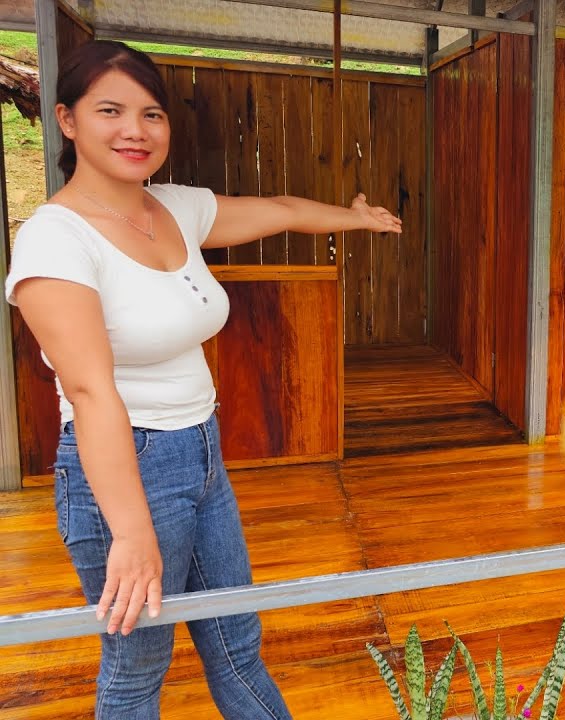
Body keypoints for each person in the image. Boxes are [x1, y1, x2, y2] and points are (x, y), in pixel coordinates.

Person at [5, 40, 401, 719]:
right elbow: (94, 394)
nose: (136, 130)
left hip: (202, 455)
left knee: (236, 641)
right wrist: (130, 533)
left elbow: (276, 208)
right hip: (125, 471)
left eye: (152, 114)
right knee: (137, 669)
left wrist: (355, 218)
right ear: (66, 120)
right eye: (111, 110)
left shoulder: (173, 209)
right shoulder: (55, 240)